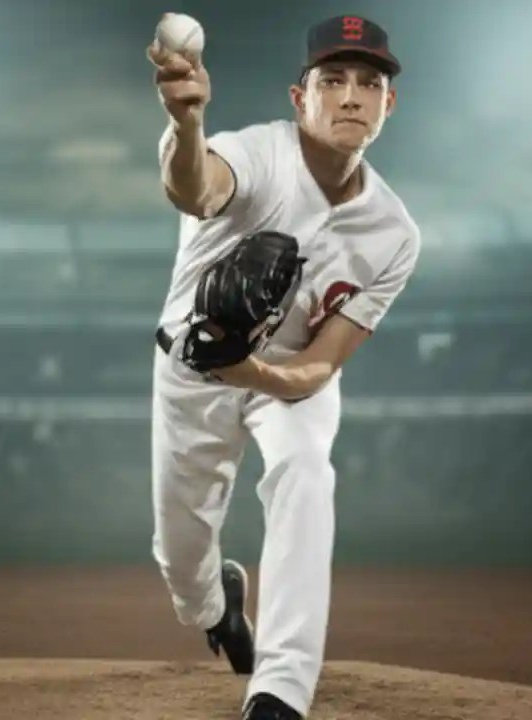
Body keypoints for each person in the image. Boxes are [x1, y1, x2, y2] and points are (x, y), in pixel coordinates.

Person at [146, 14, 421, 719]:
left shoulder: (393, 234)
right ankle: (215, 603)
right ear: (300, 98)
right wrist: (186, 125)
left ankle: (281, 688)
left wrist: (259, 374)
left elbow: (319, 367)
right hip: (192, 370)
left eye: (370, 83)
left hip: (287, 377)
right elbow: (197, 188)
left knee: (306, 470)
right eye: (333, 80)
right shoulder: (257, 154)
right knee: (181, 559)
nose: (352, 96)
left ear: (389, 106)